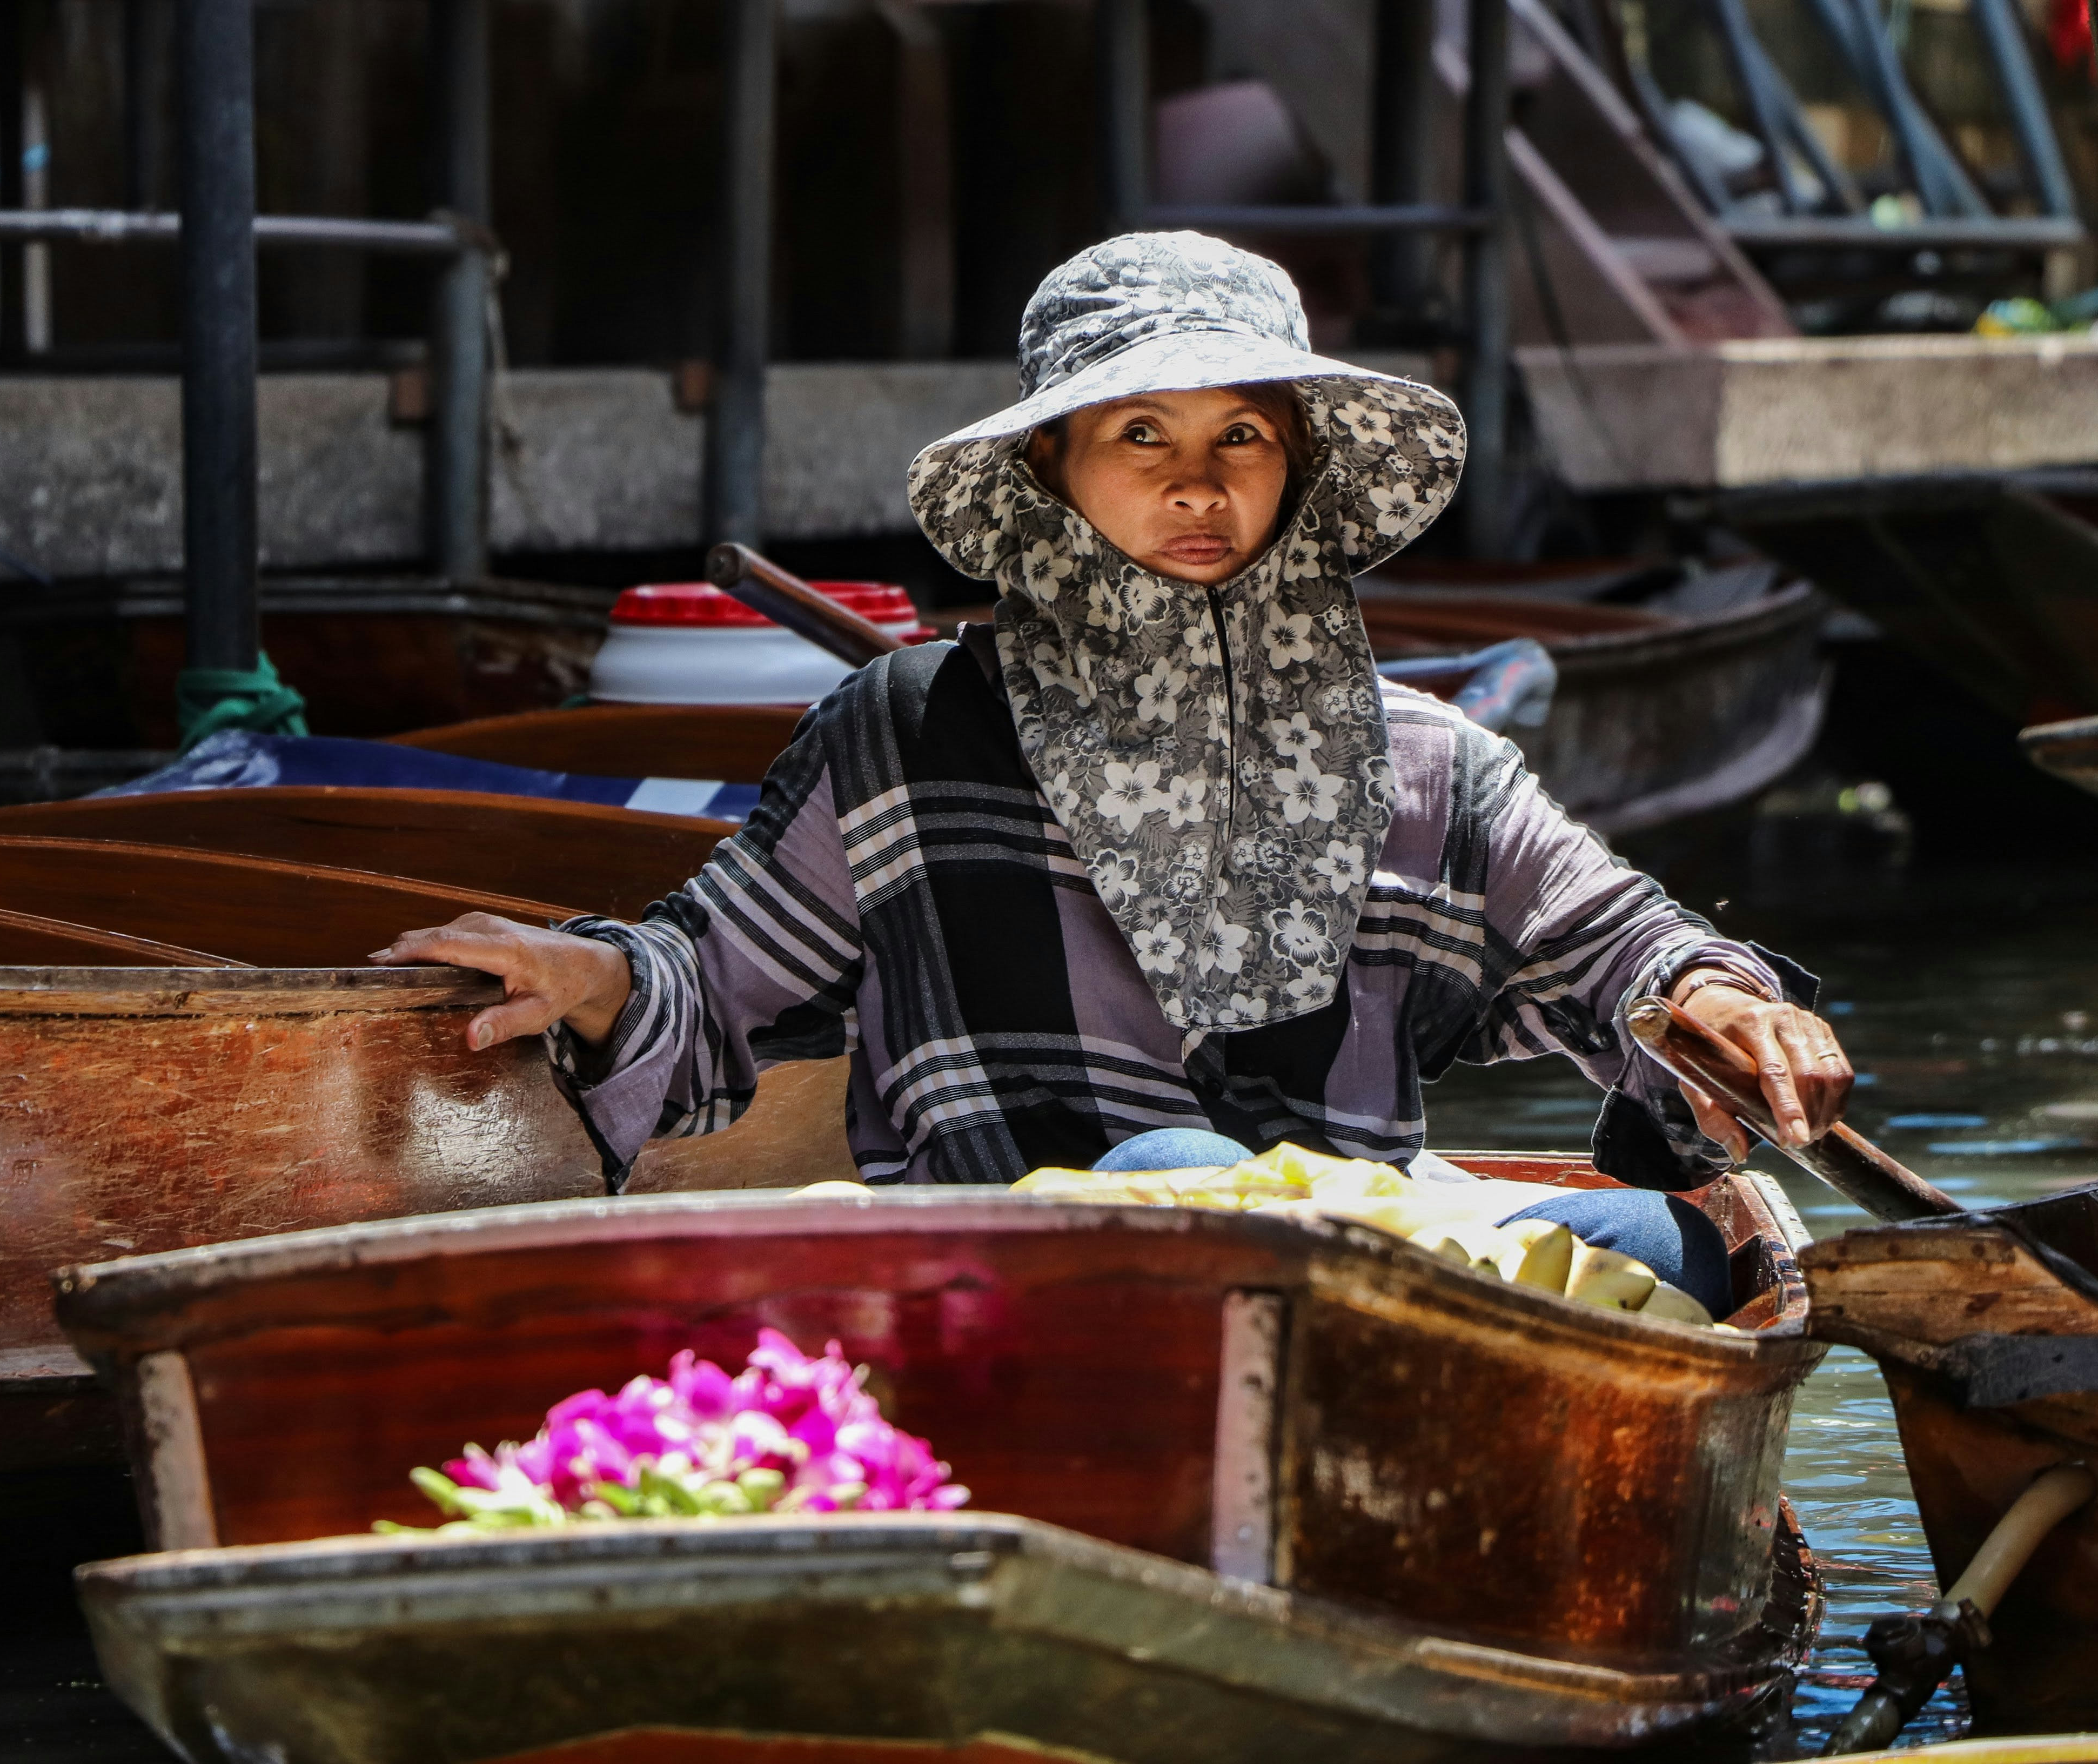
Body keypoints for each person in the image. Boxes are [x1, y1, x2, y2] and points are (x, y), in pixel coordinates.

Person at [374, 232, 1850, 1317]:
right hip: (1021, 1298)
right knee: (1159, 1159)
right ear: (1051, 470)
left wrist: (1719, 1002)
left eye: (1242, 439)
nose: (1196, 486)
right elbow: (709, 981)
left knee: (1699, 1245)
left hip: (1379, 1295)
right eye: (1140, 433)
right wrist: (589, 978)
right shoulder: (901, 729)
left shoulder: (1428, 759)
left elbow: (1625, 949)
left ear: (1299, 470)